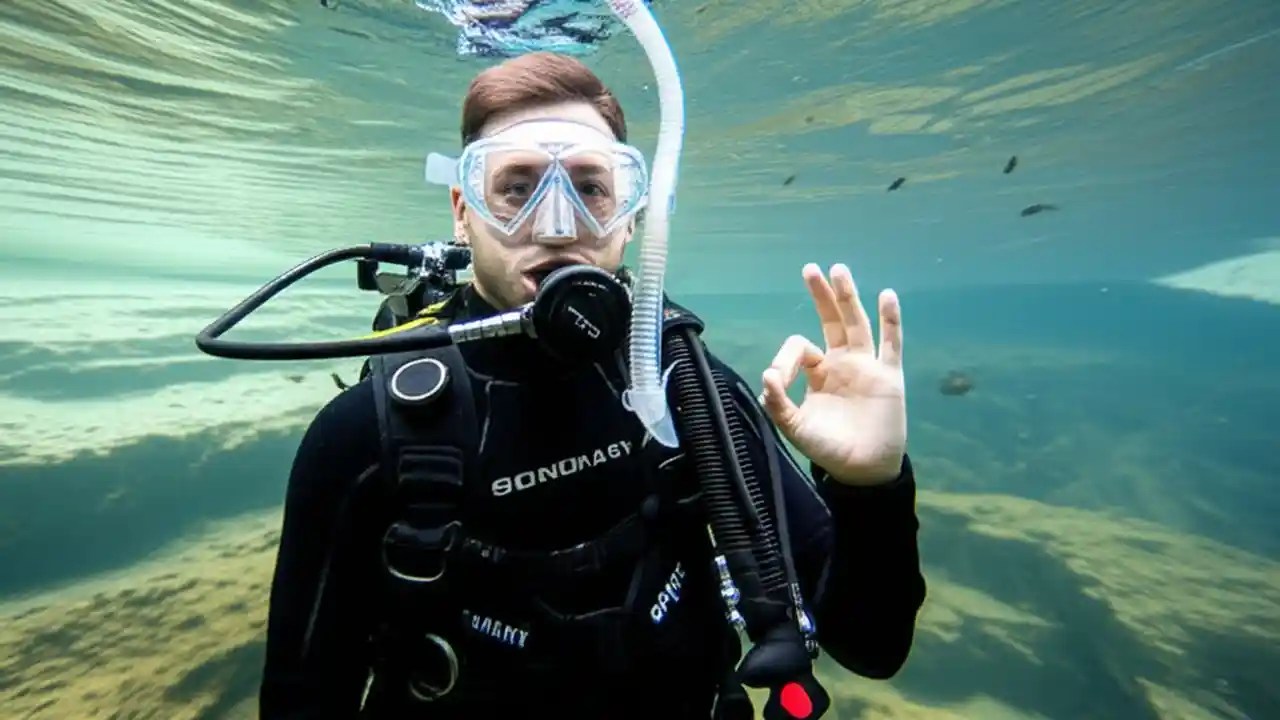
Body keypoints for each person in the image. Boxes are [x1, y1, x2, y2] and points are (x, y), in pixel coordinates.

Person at [259, 51, 926, 720]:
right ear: (463, 211)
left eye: (592, 187)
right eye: (517, 188)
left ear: (633, 217)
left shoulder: (688, 390)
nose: (557, 222)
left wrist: (871, 490)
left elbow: (872, 647)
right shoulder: (367, 434)